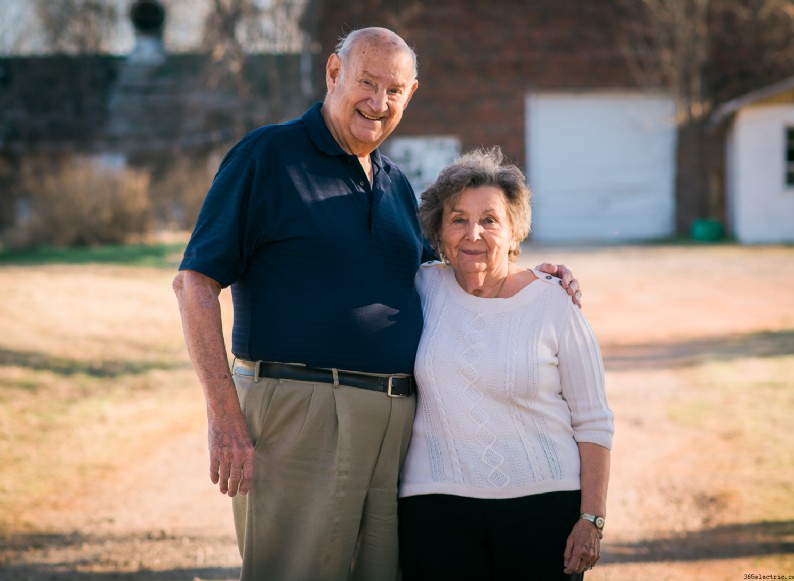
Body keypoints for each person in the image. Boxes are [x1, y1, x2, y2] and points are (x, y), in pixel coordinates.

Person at [173, 28, 581, 581]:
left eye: (395, 90)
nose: (378, 102)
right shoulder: (267, 156)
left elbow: (448, 273)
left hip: (394, 421)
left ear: (410, 96)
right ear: (334, 73)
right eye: (367, 82)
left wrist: (532, 277)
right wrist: (223, 413)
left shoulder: (395, 186)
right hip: (301, 410)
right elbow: (194, 283)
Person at [397, 147, 613, 581]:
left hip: (544, 508)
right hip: (434, 507)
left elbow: (593, 421)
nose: (473, 232)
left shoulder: (554, 301)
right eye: (458, 219)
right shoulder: (422, 287)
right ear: (439, 233)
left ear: (515, 232)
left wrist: (591, 519)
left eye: (490, 220)